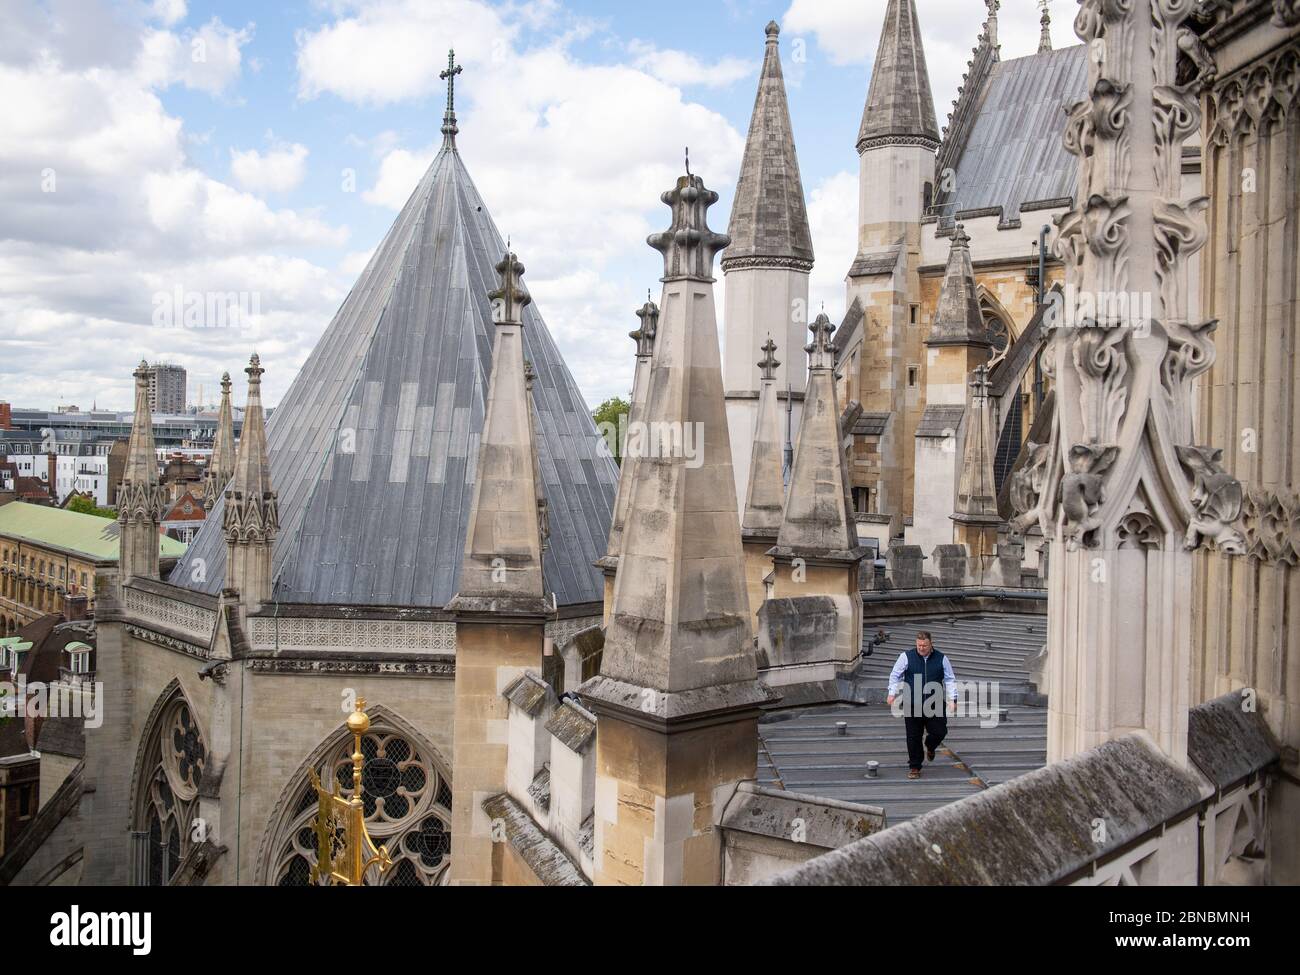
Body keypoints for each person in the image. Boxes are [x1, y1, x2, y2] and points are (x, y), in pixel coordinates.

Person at [886, 631, 957, 780]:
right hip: (912, 703)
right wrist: (891, 693)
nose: (921, 648)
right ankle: (914, 766)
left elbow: (950, 680)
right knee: (913, 737)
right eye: (919, 645)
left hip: (935, 703)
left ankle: (930, 746)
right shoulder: (905, 657)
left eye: (924, 645)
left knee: (939, 732)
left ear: (931, 644)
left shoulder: (942, 658)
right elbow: (895, 675)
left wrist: (952, 699)